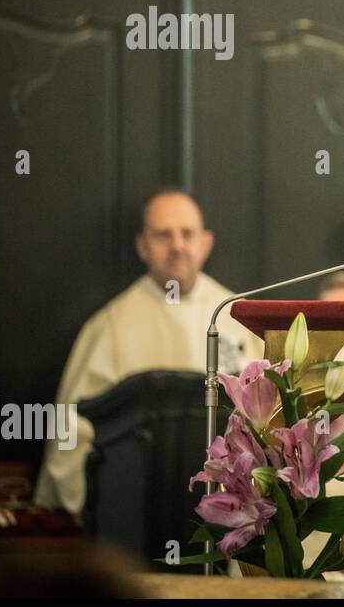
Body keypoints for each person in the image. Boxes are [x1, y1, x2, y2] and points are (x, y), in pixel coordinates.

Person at [34, 188, 262, 514]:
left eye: (187, 233)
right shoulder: (110, 327)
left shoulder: (239, 316)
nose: (177, 245)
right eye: (163, 235)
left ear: (205, 243)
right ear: (143, 246)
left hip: (233, 507)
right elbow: (72, 429)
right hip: (139, 507)